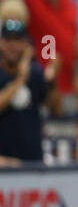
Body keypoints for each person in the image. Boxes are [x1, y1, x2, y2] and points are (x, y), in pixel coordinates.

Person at [0, 17, 49, 162]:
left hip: (33, 162)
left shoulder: (35, 73)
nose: (12, 45)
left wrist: (52, 80)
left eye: (18, 40)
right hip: (4, 164)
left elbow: (55, 108)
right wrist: (20, 79)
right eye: (8, 40)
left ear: (26, 44)